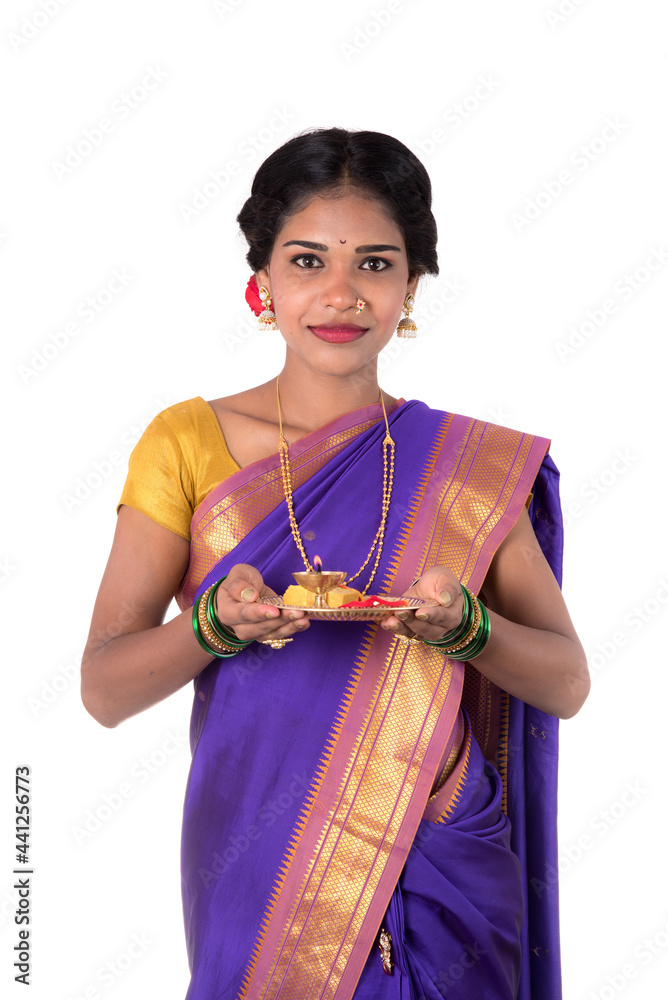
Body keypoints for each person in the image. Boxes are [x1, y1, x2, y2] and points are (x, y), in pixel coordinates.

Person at [81, 128, 590, 1000]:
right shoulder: (186, 443)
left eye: (377, 265)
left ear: (412, 286)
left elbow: (565, 682)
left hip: (436, 844)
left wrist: (468, 627)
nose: (342, 294)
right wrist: (210, 625)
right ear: (262, 282)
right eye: (308, 260)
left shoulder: (464, 467)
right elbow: (105, 688)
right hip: (259, 855)